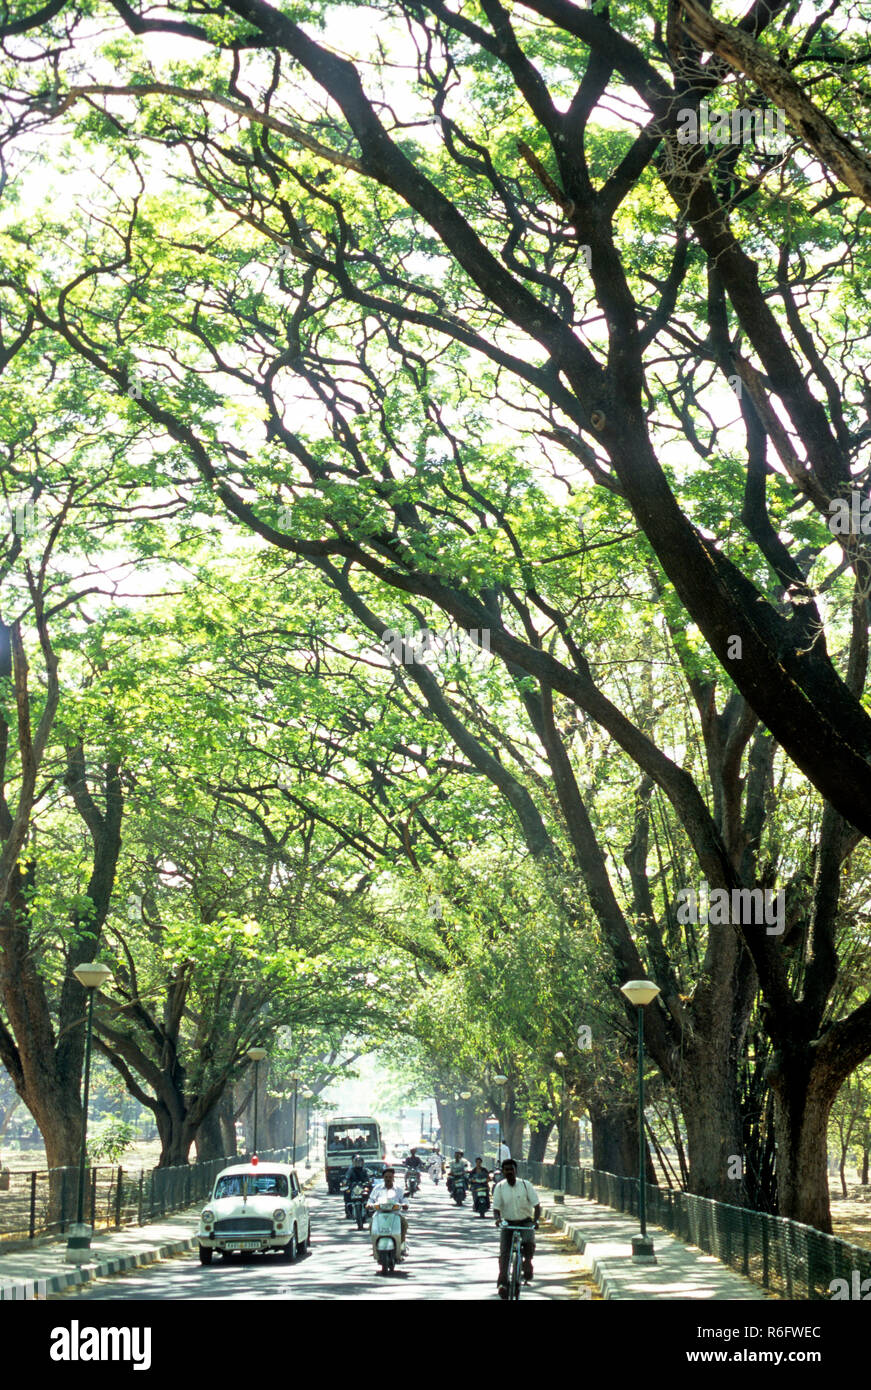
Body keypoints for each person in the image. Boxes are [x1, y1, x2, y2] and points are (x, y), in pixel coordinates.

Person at [492, 1159, 541, 1298]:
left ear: (515, 1170)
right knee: (504, 1254)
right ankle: (502, 1284)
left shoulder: (526, 1185)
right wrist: (498, 1219)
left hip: (525, 1222)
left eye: (511, 1169)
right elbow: (496, 1208)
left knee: (529, 1245)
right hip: (508, 1224)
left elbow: (537, 1206)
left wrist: (536, 1221)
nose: (508, 1172)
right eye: (506, 1170)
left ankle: (527, 1263)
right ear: (503, 1172)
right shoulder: (500, 1187)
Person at [367, 1166, 408, 1261]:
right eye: (386, 1177)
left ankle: (401, 1245)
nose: (388, 1179)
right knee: (371, 1226)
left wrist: (405, 1204)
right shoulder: (377, 1188)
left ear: (393, 1178)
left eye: (390, 1177)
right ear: (383, 1178)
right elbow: (371, 1199)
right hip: (379, 1214)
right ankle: (375, 1247)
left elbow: (404, 1199)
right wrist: (369, 1204)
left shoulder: (399, 1189)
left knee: (404, 1224)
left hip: (395, 1214)